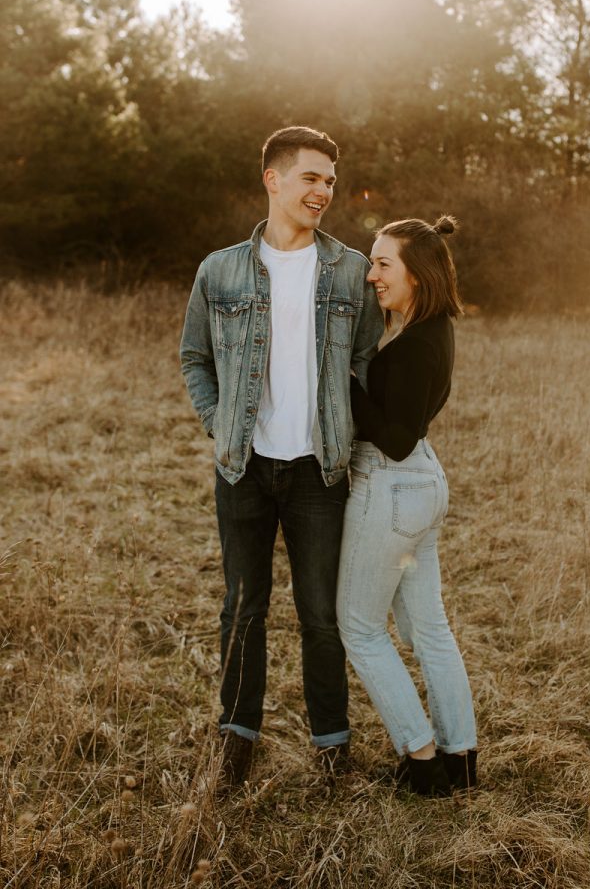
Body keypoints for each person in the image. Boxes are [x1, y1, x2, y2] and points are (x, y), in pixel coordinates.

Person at [180, 126, 383, 794]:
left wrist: (345, 427)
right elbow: (196, 358)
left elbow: (364, 362)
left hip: (319, 471)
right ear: (274, 179)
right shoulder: (220, 271)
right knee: (243, 608)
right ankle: (236, 742)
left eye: (330, 179)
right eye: (311, 177)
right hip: (243, 467)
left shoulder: (350, 270)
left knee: (320, 614)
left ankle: (332, 750)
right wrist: (218, 427)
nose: (324, 190)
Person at [337, 215, 478, 796]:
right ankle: (461, 758)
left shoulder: (418, 344)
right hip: (421, 486)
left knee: (360, 627)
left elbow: (394, 437)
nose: (372, 275)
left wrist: (341, 379)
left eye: (382, 263)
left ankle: (422, 761)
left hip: (393, 485)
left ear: (416, 274)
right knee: (428, 630)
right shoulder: (432, 328)